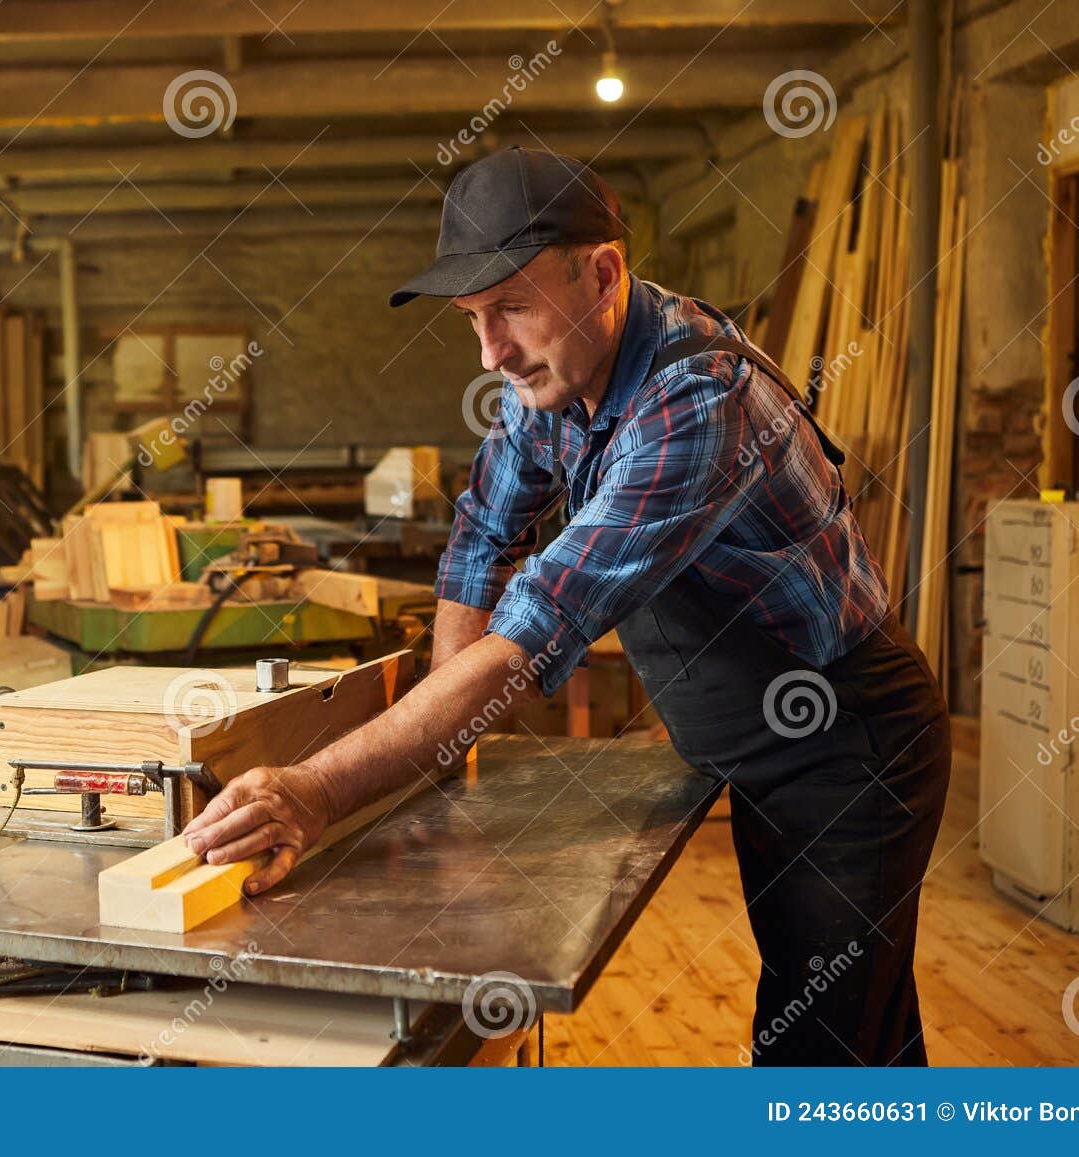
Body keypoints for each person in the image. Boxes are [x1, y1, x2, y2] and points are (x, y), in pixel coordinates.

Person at [182, 147, 951, 1066]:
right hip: (756, 745)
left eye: (509, 306)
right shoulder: (552, 375)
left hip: (846, 745)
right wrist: (438, 750)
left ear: (603, 273)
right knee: (870, 1028)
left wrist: (312, 788)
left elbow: (533, 629)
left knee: (818, 1050)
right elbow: (481, 540)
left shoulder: (694, 400)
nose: (491, 352)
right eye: (472, 318)